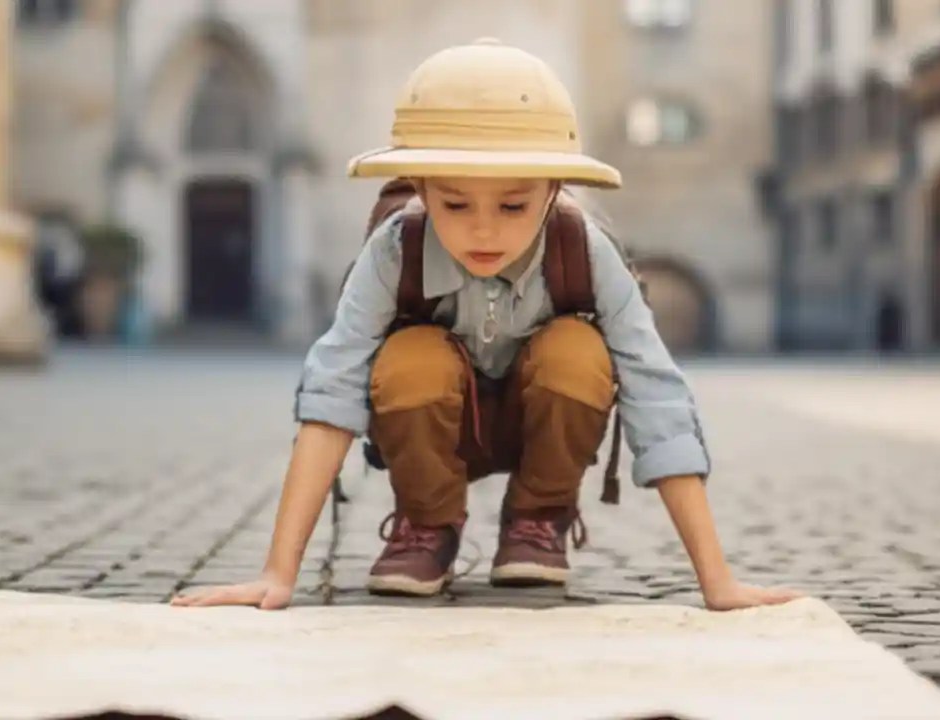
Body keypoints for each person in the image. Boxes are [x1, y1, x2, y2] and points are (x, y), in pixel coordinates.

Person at [172, 38, 803, 611]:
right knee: (409, 355)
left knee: (578, 350)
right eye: (453, 203)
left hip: (548, 422)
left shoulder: (584, 248)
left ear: (555, 189)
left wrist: (716, 581)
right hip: (426, 424)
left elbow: (656, 393)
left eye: (512, 204)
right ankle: (427, 524)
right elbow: (330, 391)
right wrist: (277, 574)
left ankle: (539, 516)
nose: (483, 229)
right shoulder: (395, 250)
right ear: (418, 185)